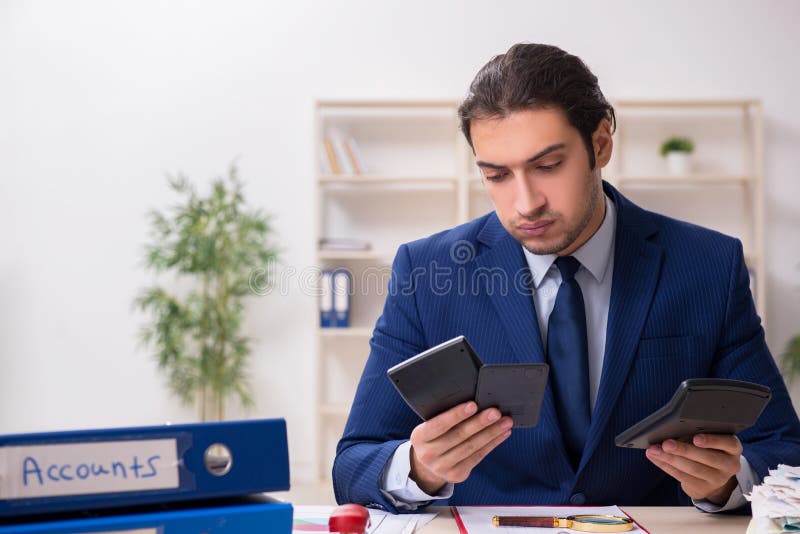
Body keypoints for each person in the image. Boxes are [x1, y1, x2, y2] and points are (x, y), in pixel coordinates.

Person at [332, 43, 800, 512]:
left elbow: (784, 452)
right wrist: (419, 468)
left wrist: (726, 482)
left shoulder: (708, 265)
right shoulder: (426, 272)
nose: (525, 202)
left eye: (548, 166)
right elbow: (352, 464)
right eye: (496, 175)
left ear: (600, 144)